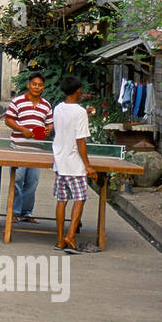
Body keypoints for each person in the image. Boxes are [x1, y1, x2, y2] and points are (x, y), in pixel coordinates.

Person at [52, 74, 97, 253]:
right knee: (80, 198)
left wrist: (85, 114)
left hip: (60, 161)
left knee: (61, 200)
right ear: (79, 90)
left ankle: (59, 240)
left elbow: (67, 122)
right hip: (74, 164)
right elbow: (80, 141)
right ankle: (70, 236)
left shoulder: (58, 108)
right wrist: (87, 165)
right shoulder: (79, 112)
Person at [3, 72, 53, 222]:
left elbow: (50, 123)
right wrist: (22, 129)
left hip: (37, 148)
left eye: (40, 85)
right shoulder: (17, 101)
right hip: (18, 147)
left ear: (43, 87)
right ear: (28, 85)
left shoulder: (46, 105)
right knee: (17, 180)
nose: (37, 87)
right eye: (34, 84)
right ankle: (14, 212)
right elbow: (8, 120)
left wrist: (49, 129)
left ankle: (26, 212)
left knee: (32, 182)